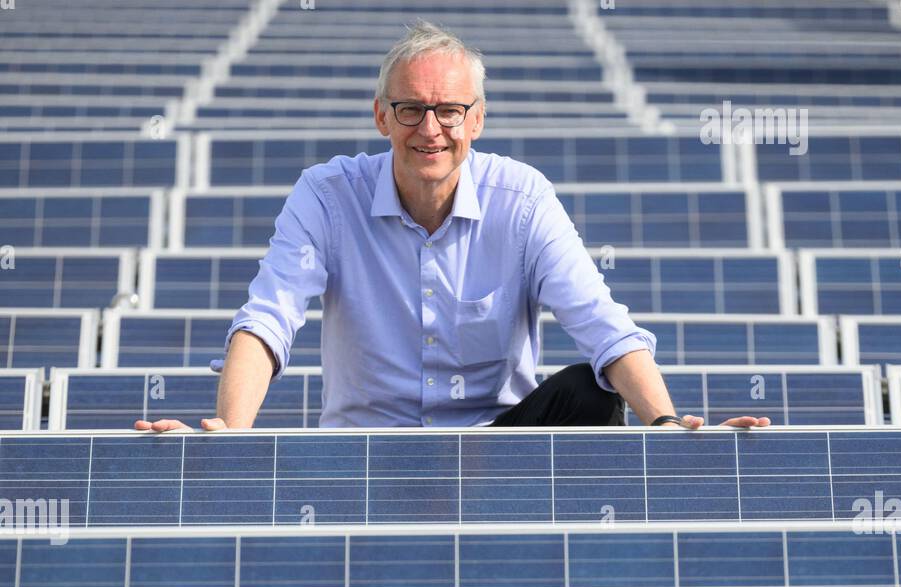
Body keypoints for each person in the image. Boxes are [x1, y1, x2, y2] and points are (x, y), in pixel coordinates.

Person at [135, 21, 769, 435]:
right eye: (411, 109)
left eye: (449, 110)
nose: (430, 129)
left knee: (590, 393)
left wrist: (664, 423)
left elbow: (602, 326)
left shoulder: (521, 200)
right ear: (382, 116)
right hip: (368, 457)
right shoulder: (327, 196)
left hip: (499, 453)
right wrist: (229, 431)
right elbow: (268, 317)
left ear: (478, 118)